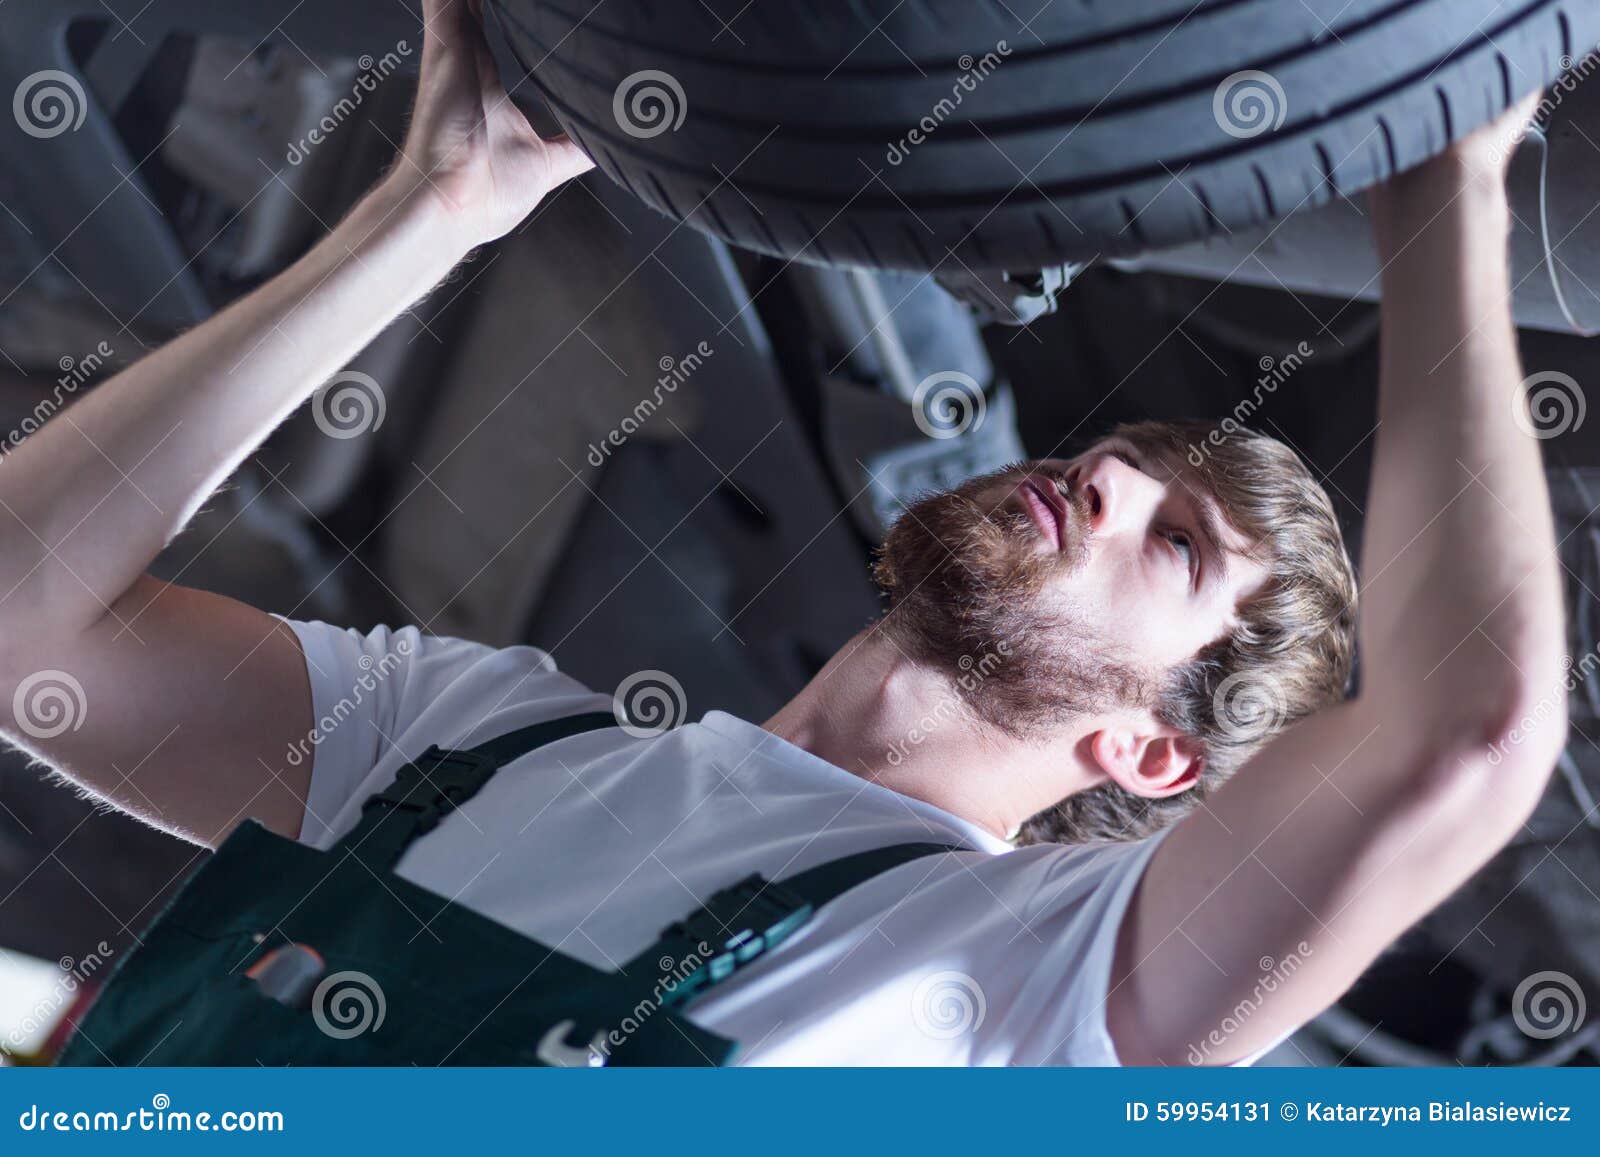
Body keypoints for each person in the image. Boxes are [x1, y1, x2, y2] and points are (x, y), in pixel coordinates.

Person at [0, 0, 1565, 1066]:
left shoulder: (1031, 997)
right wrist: (434, 212)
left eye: (1176, 547)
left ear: (1157, 757)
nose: (1104, 480)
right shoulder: (469, 734)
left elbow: (1462, 741)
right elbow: (26, 629)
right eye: (1117, 456)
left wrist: (1443, 160)